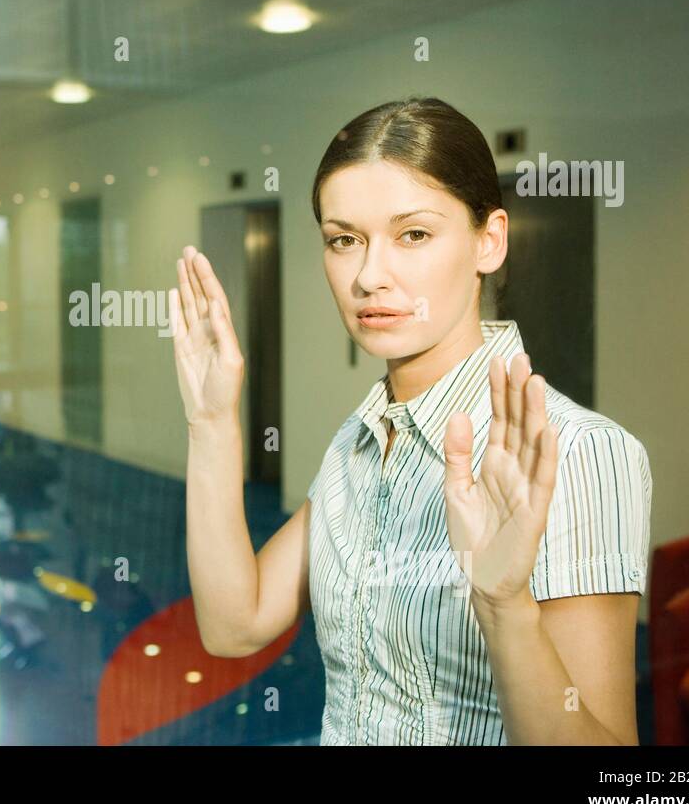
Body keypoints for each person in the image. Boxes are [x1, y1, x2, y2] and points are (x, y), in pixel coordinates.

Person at [171, 96, 651, 745]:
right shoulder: (359, 444)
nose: (370, 275)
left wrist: (505, 607)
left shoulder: (580, 452)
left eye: (414, 235)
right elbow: (236, 624)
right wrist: (211, 421)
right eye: (344, 240)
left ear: (490, 240)